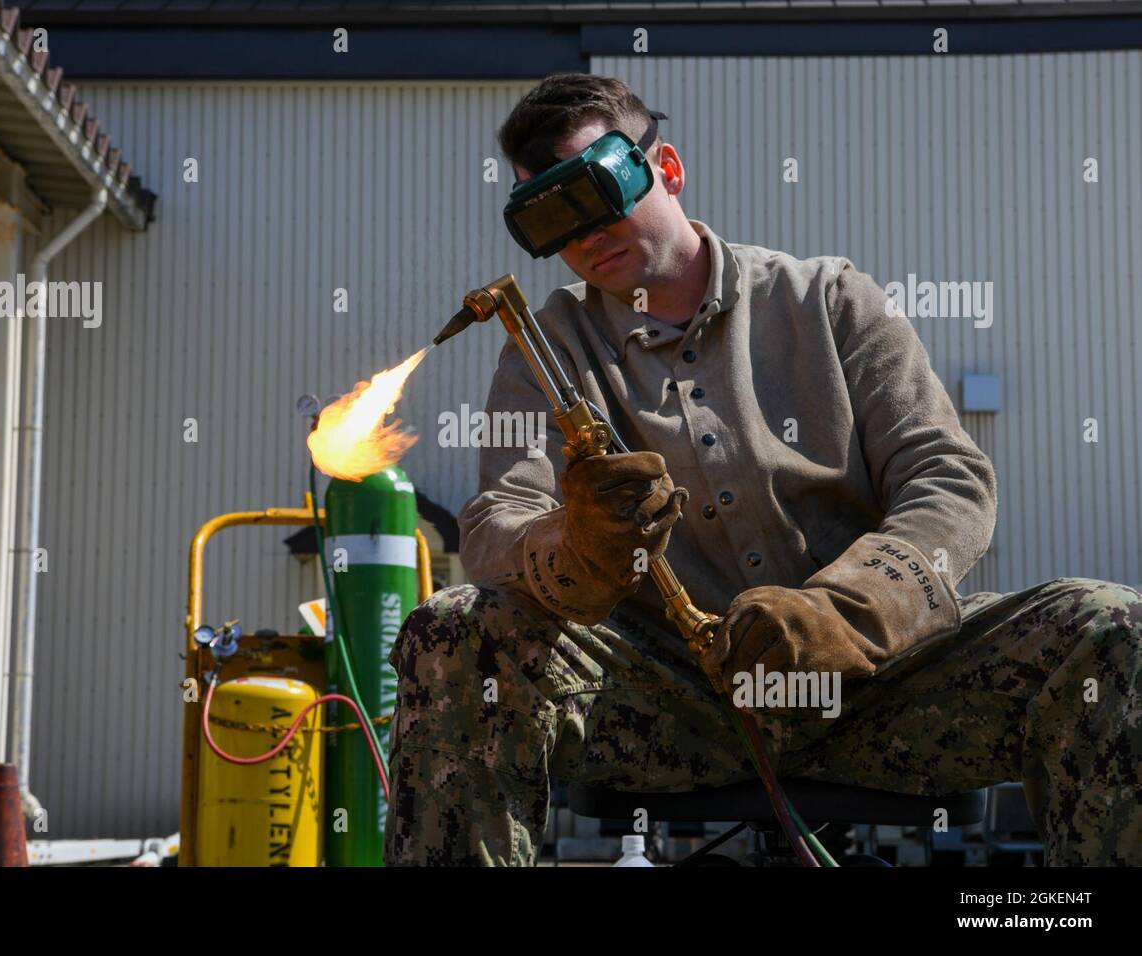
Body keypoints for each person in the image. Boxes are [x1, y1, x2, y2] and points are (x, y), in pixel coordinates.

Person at [383, 73, 1142, 866]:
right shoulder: (547, 351)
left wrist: (841, 615)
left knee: (1109, 626)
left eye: (596, 193)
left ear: (665, 169)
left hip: (879, 691)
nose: (582, 236)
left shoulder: (830, 301)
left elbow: (947, 480)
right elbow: (497, 523)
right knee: (457, 628)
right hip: (670, 706)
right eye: (548, 221)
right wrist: (576, 548)